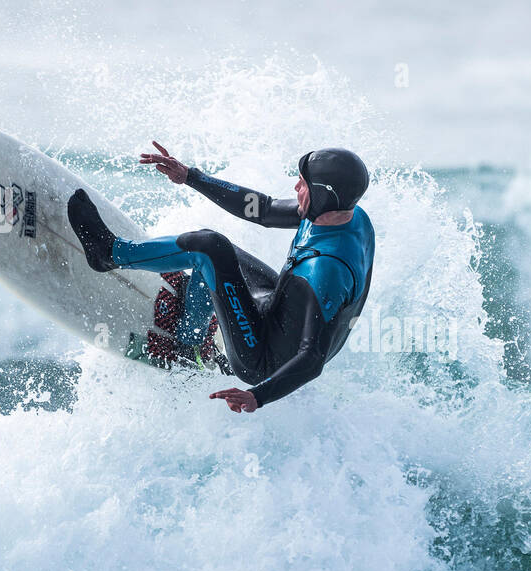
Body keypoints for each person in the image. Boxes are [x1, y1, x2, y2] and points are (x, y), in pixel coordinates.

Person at [67, 143, 374, 413]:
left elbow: (312, 358)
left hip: (263, 358)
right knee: (221, 254)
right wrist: (190, 177)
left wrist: (257, 396)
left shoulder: (325, 271)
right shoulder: (345, 215)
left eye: (304, 184)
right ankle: (197, 327)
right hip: (280, 311)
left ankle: (110, 255)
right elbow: (263, 210)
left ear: (323, 196)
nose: (295, 187)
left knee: (208, 247)